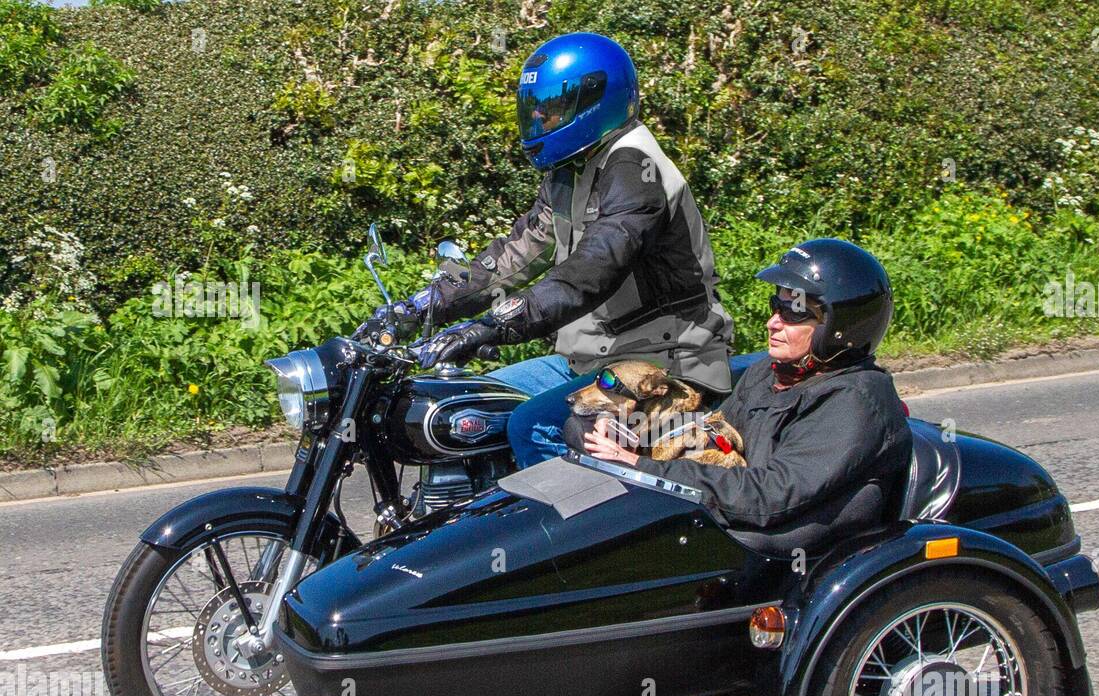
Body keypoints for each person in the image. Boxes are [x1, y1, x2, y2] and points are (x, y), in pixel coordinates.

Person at [362, 32, 733, 468]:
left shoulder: (636, 170)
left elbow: (591, 272)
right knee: (462, 406)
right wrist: (421, 307)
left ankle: (572, 532)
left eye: (550, 104)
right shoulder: (570, 171)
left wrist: (494, 325)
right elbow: (512, 257)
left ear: (595, 100)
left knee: (530, 426)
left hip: (661, 367)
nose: (537, 114)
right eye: (533, 104)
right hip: (589, 364)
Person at [583, 239, 913, 550]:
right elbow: (714, 433)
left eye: (793, 313)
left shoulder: (855, 402)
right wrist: (633, 437)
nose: (772, 323)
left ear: (840, 329)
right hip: (733, 515)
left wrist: (643, 467)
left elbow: (770, 496)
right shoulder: (771, 373)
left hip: (766, 547)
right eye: (776, 306)